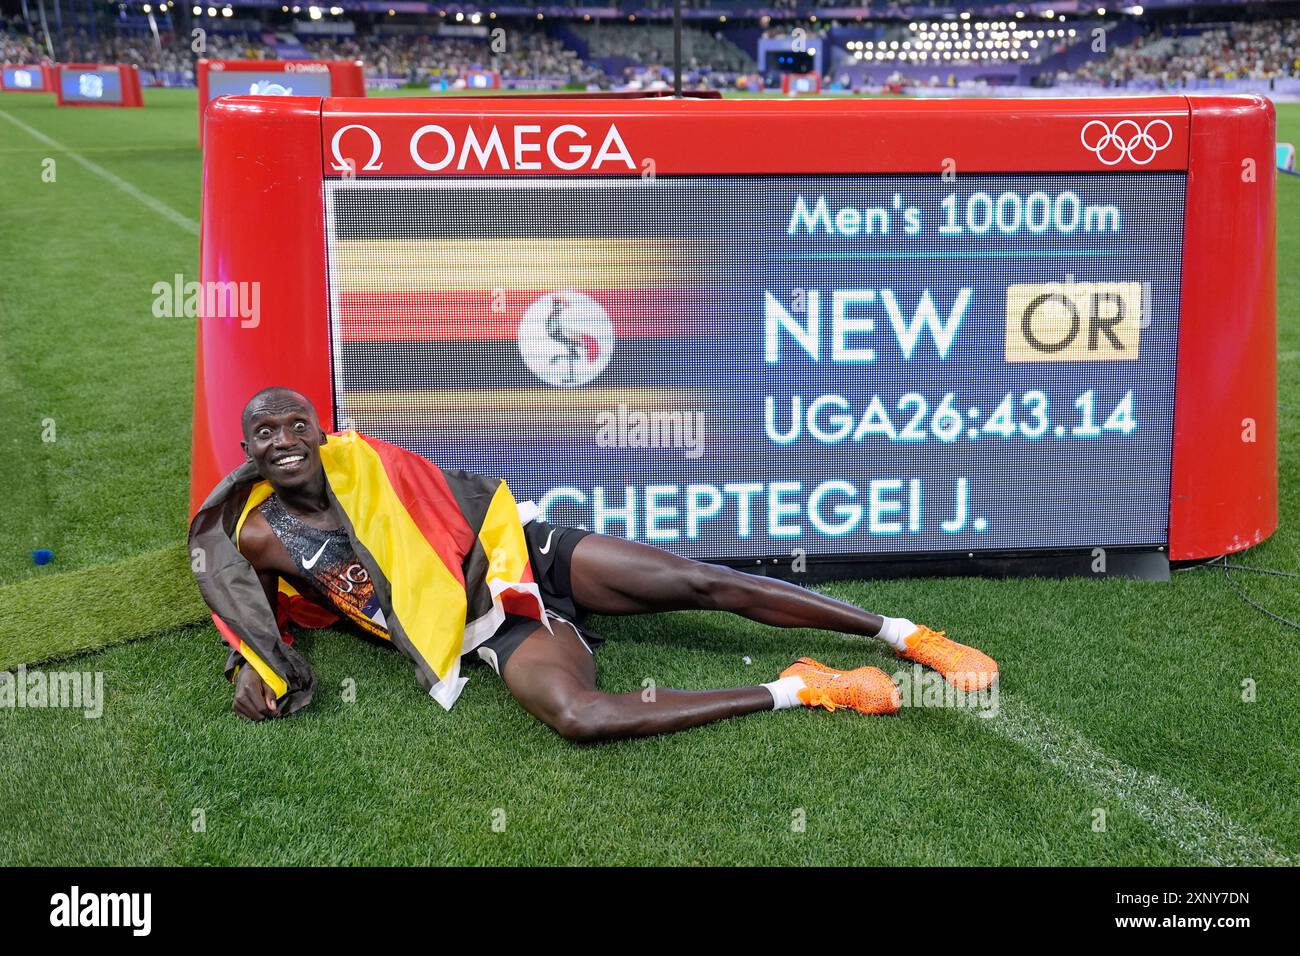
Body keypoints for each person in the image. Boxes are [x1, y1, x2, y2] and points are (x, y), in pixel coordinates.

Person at [220, 386, 998, 742]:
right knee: (578, 718)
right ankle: (803, 686)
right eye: (266, 433)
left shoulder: (370, 462)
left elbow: (460, 502)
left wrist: (504, 558)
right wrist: (249, 663)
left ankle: (905, 635)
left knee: (702, 582)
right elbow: (249, 609)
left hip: (523, 559)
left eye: (298, 425)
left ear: (321, 431)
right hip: (491, 628)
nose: (285, 439)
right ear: (249, 451)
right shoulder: (260, 536)